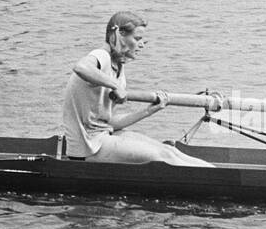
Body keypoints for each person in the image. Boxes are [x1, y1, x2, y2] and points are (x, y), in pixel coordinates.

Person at [62, 12, 213, 165]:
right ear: (120, 34)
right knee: (163, 158)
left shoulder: (118, 70)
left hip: (103, 135)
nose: (142, 45)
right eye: (137, 39)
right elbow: (81, 67)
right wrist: (114, 86)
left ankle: (214, 172)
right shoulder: (102, 55)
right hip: (87, 147)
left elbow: (109, 122)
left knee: (169, 151)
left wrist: (148, 111)